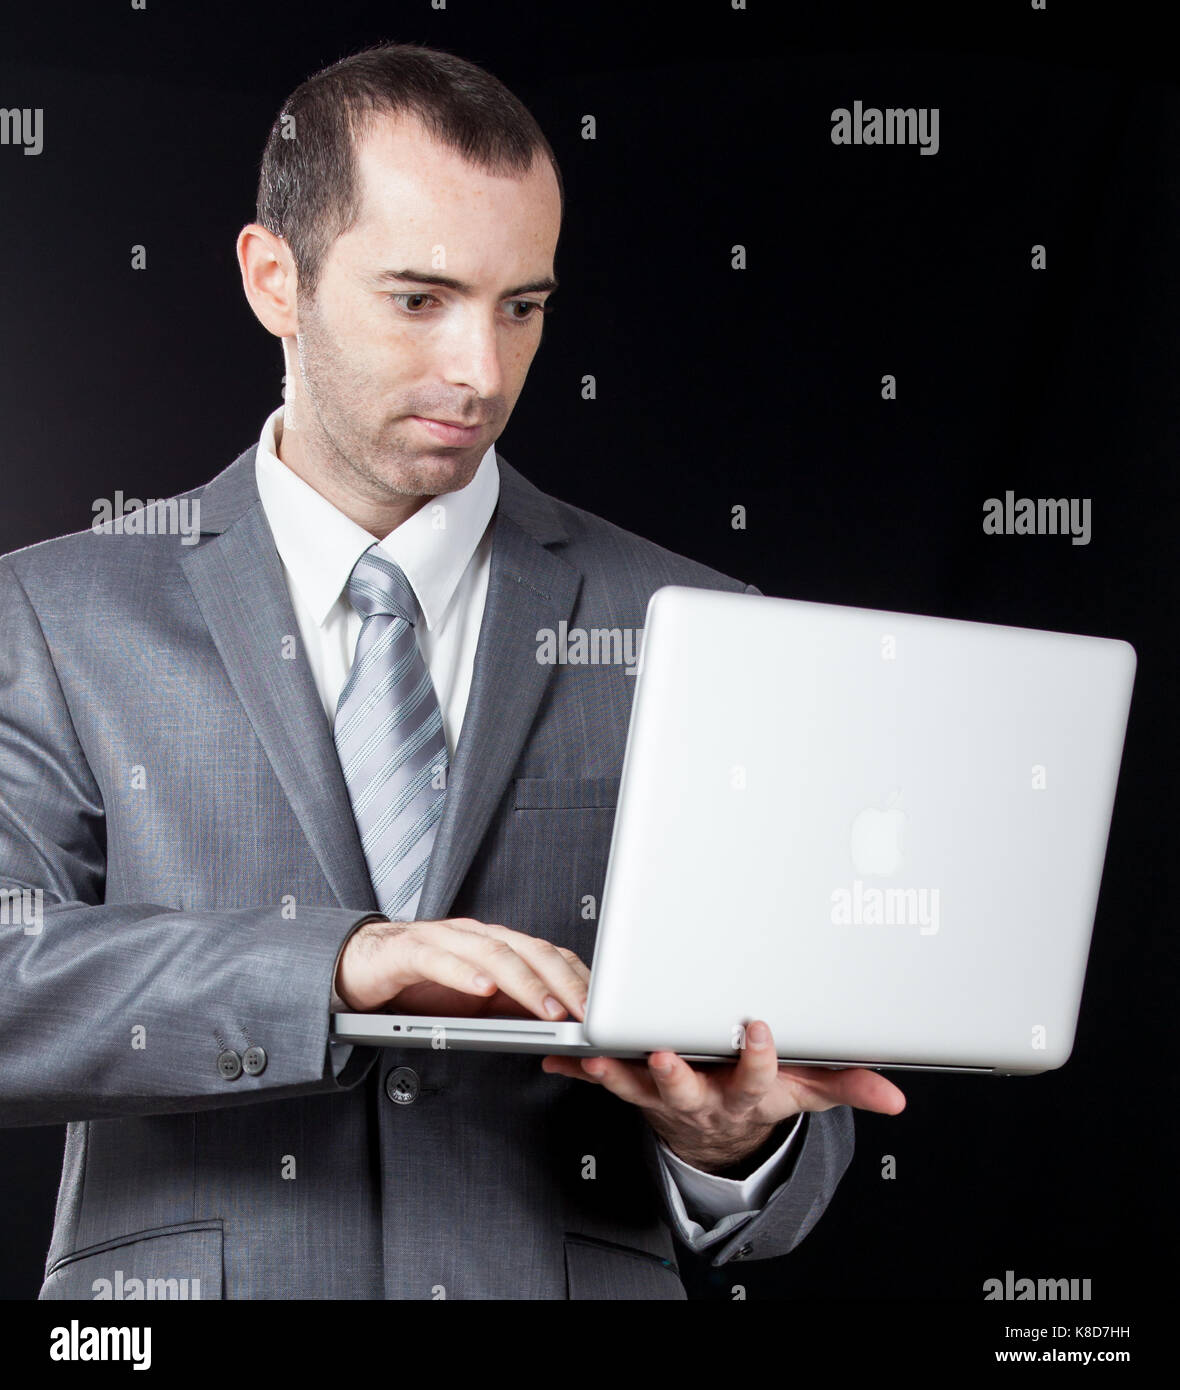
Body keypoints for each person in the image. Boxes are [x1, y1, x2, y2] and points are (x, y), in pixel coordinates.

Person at [0, 42, 903, 1300]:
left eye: (521, 307)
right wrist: (335, 963)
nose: (480, 372)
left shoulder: (697, 622)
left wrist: (735, 1144)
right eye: (419, 299)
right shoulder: (51, 609)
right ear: (276, 279)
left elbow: (783, 1096)